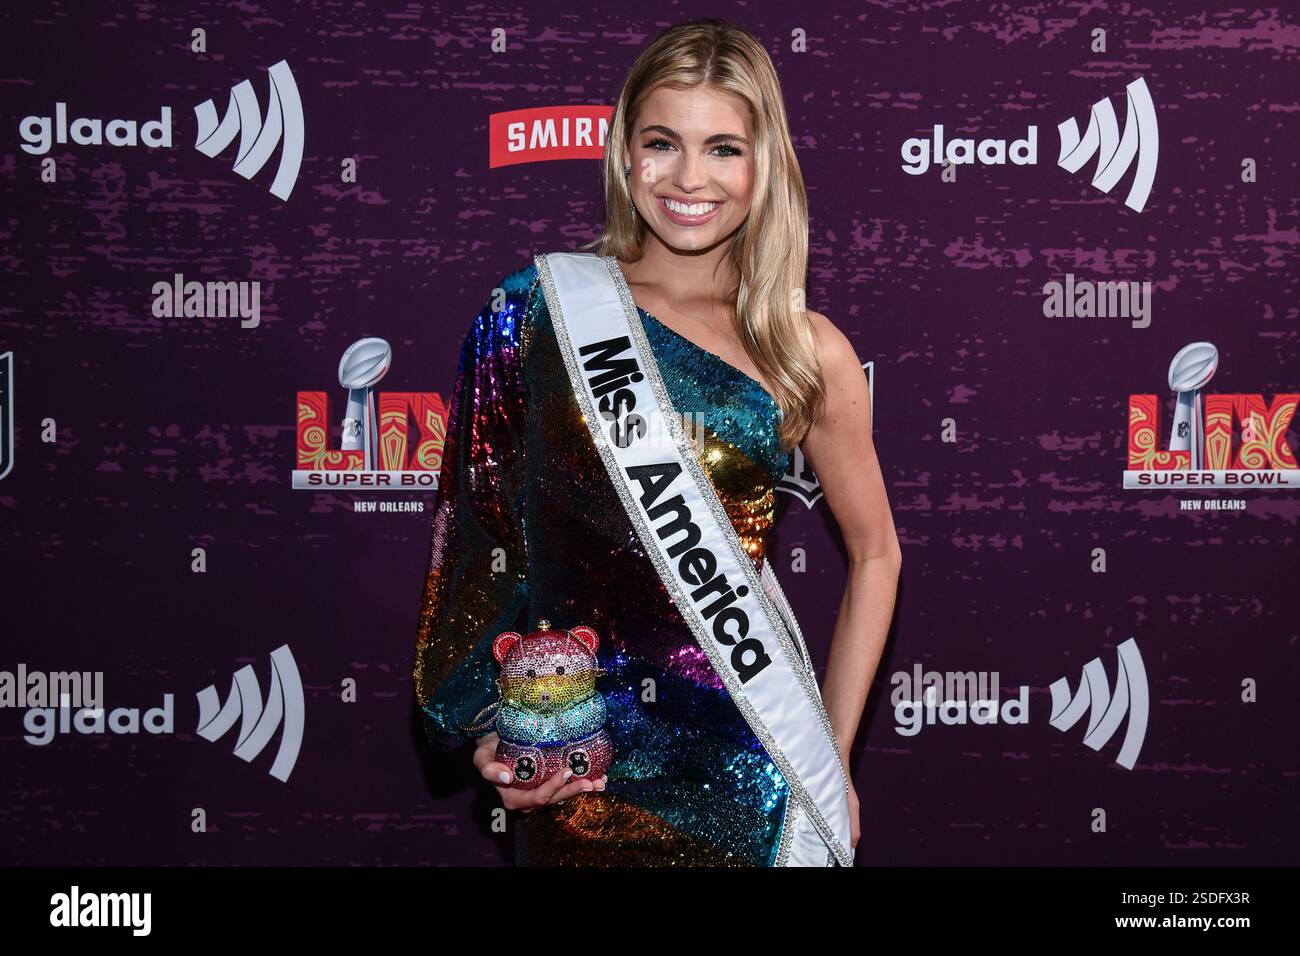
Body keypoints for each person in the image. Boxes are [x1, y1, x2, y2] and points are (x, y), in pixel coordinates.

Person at [413, 17, 900, 866]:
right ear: (624, 152)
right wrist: (490, 722)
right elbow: (479, 538)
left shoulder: (803, 346)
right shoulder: (536, 313)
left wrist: (834, 760)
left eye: (723, 148)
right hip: (578, 771)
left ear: (763, 165)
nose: (689, 177)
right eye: (663, 142)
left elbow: (877, 555)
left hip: (752, 771)